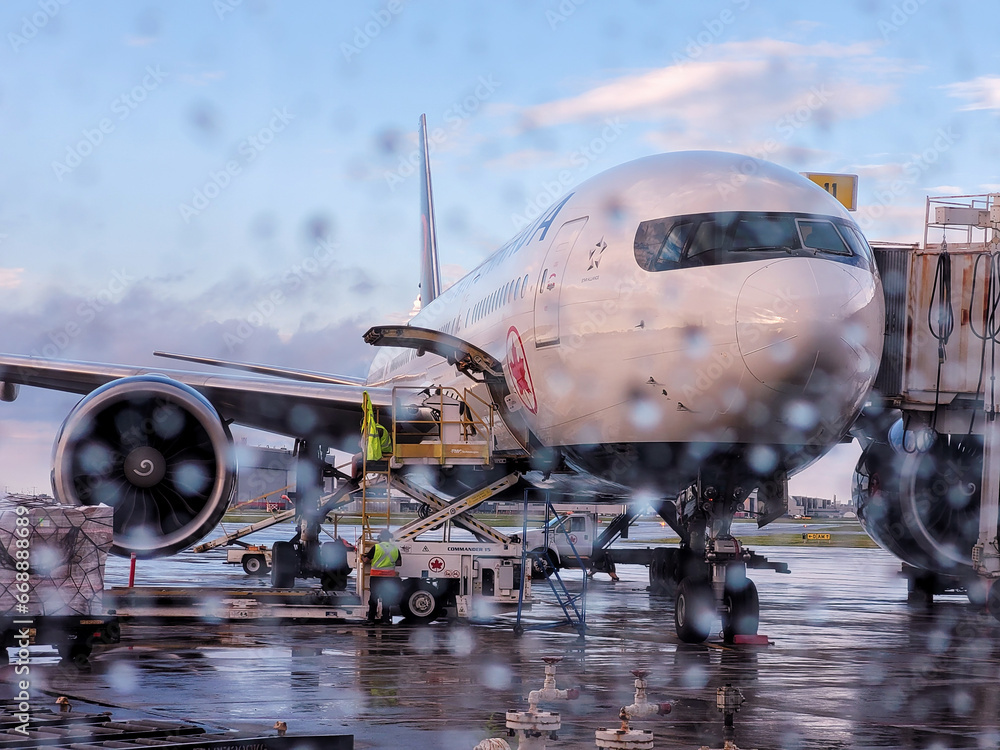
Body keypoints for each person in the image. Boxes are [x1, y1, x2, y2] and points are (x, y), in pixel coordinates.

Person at [363, 529, 402, 623]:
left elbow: (366, 561)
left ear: (381, 537)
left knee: (373, 598)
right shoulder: (395, 549)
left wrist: (362, 557)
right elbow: (399, 563)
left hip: (376, 577)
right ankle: (385, 619)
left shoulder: (376, 547)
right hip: (389, 578)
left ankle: (371, 620)